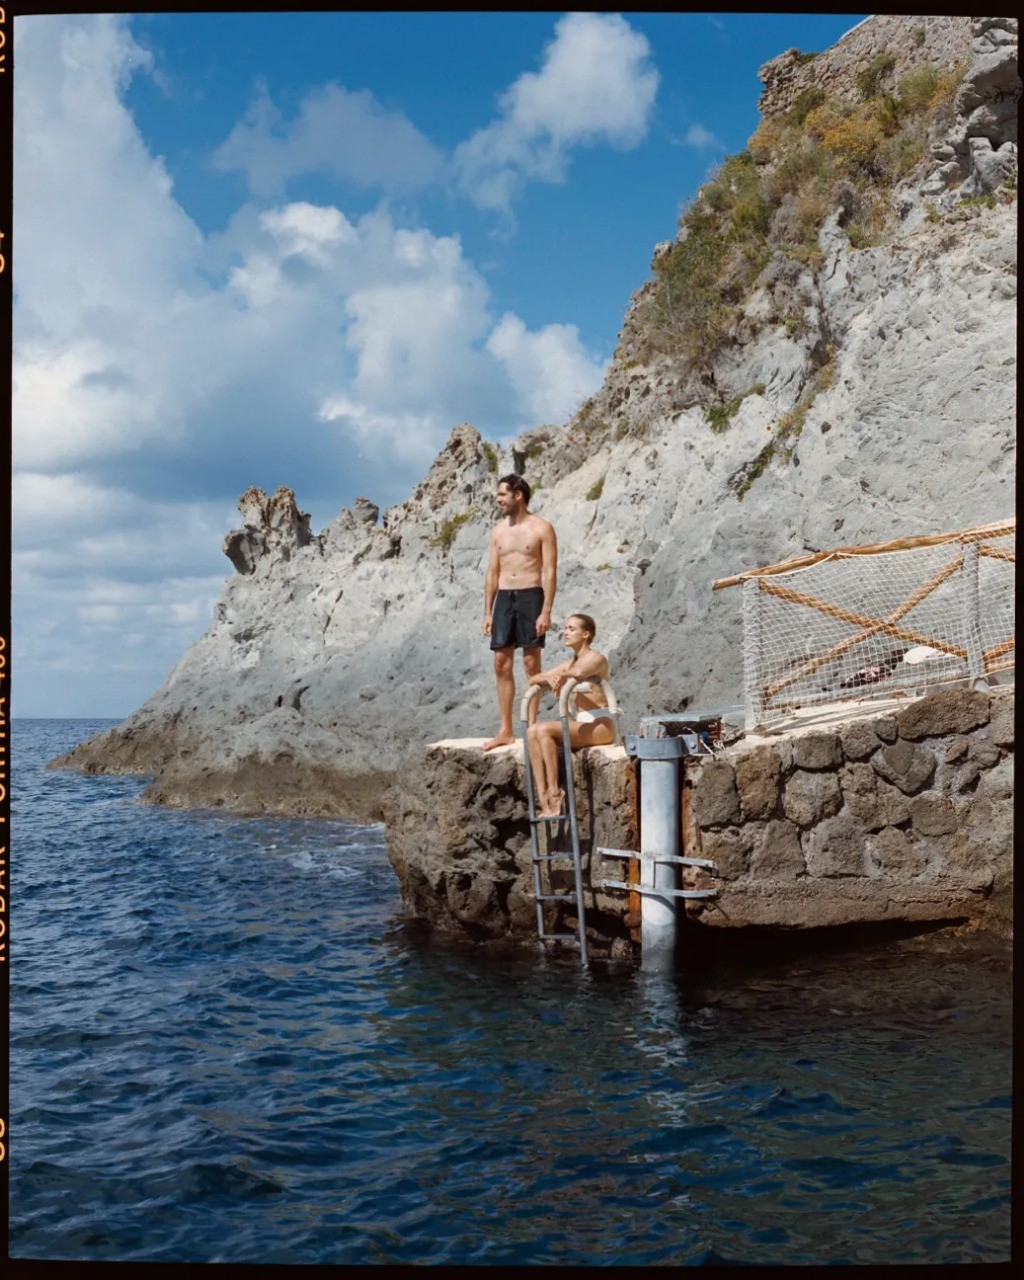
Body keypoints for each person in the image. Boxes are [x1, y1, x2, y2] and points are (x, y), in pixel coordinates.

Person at [482, 474, 558, 751]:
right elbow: (492, 572)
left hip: (531, 596)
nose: (498, 500)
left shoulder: (542, 528)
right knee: (501, 664)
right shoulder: (498, 531)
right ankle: (505, 729)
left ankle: (531, 727)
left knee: (530, 664)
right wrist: (488, 612)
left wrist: (546, 610)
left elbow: (550, 571)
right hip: (504, 597)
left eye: (502, 495)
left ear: (518, 495)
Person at [525, 613, 615, 818]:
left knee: (545, 729)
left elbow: (580, 673)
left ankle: (556, 793)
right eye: (566, 628)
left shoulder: (597, 659)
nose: (565, 633)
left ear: (586, 634)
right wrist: (551, 676)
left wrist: (561, 676)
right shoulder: (569, 663)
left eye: (571, 629)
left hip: (600, 725)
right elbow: (534, 680)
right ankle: (544, 798)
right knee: (533, 731)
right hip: (581, 724)